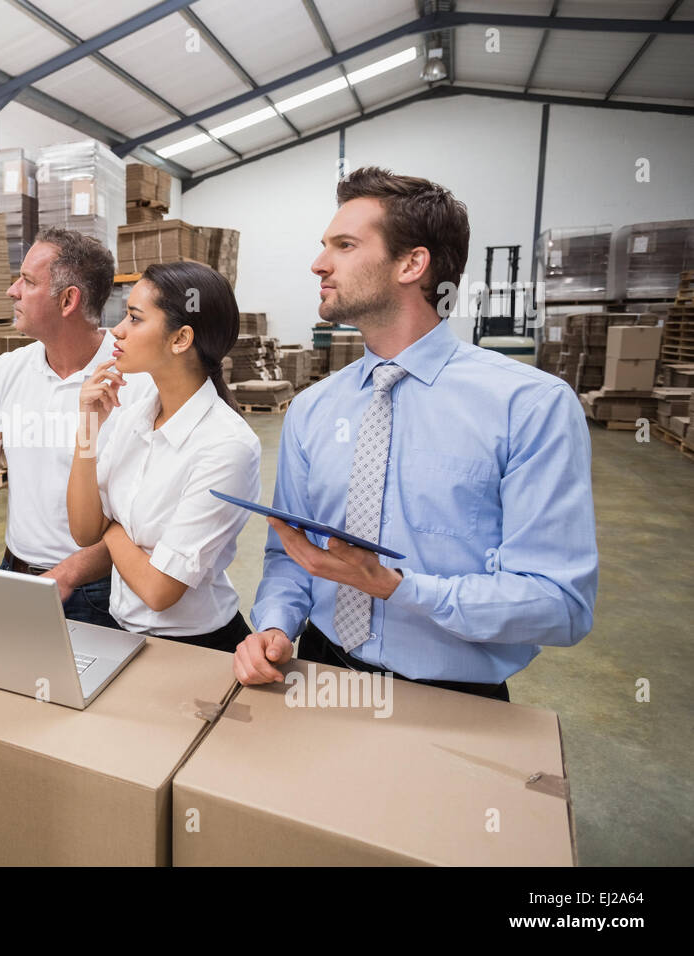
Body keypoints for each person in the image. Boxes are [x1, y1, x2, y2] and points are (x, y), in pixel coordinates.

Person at [234, 167, 598, 700]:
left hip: (454, 697)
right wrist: (275, 625)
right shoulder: (312, 409)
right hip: (321, 672)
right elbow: (291, 554)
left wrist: (398, 589)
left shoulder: (529, 406)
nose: (319, 263)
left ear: (412, 263)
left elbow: (560, 604)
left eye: (344, 245)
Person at [0, 228, 152, 627]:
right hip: (17, 572)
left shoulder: (137, 380)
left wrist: (68, 574)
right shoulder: (8, 371)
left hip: (100, 590)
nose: (12, 291)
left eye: (26, 281)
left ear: (67, 300)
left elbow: (143, 518)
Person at [67, 261, 261, 651]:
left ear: (180, 339)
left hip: (198, 646)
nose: (116, 330)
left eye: (135, 318)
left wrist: (114, 528)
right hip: (124, 630)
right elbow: (84, 531)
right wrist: (88, 428)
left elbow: (159, 590)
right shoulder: (134, 413)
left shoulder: (225, 447)